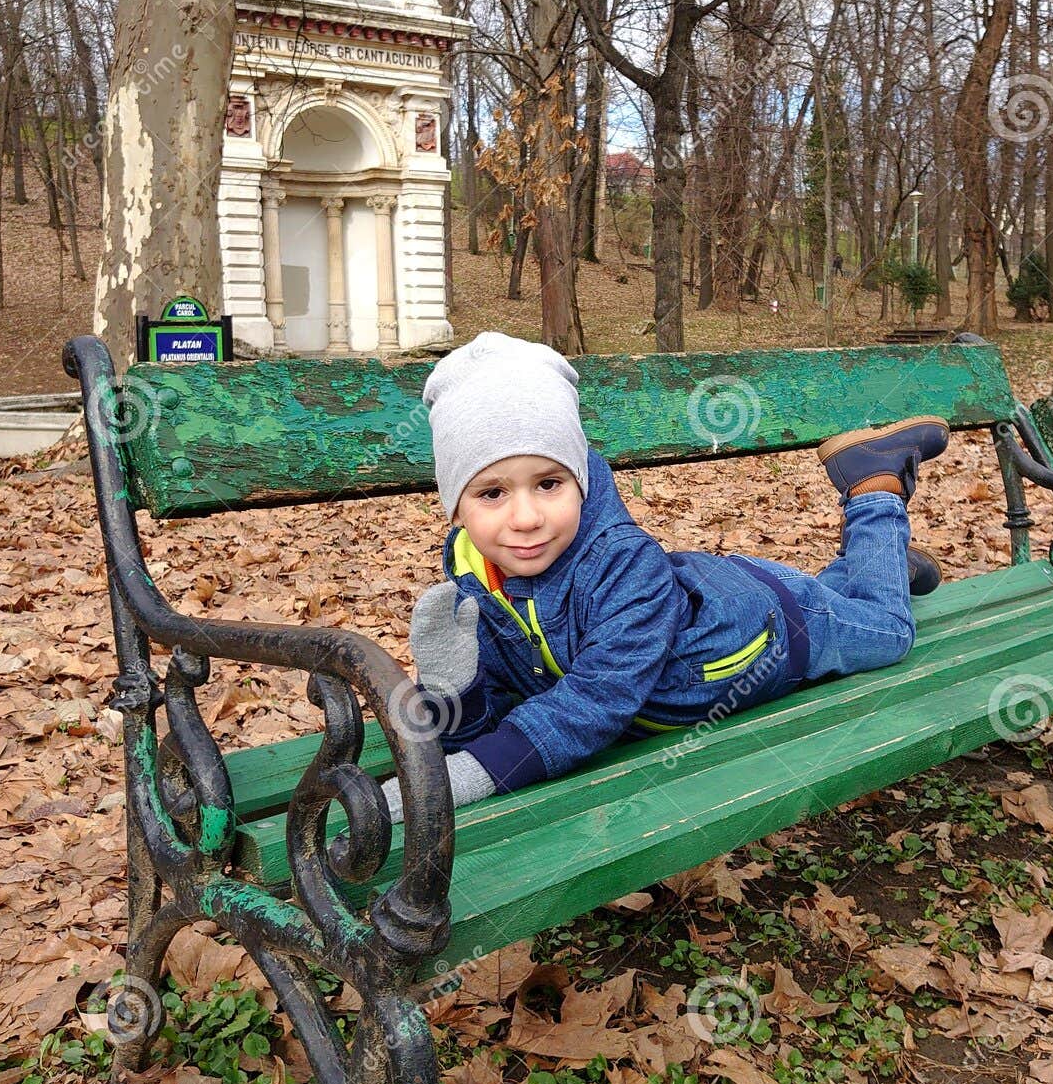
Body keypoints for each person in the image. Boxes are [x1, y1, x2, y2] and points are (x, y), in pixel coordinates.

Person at [377, 332, 948, 821]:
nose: (525, 518)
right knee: (867, 596)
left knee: (891, 630)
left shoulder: (622, 567)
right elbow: (495, 717)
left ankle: (874, 487)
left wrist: (454, 783)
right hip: (716, 587)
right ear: (454, 507)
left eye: (548, 484)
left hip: (782, 627)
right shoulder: (476, 582)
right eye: (492, 492)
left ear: (580, 479)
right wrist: (456, 690)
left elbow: (594, 701)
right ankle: (879, 565)